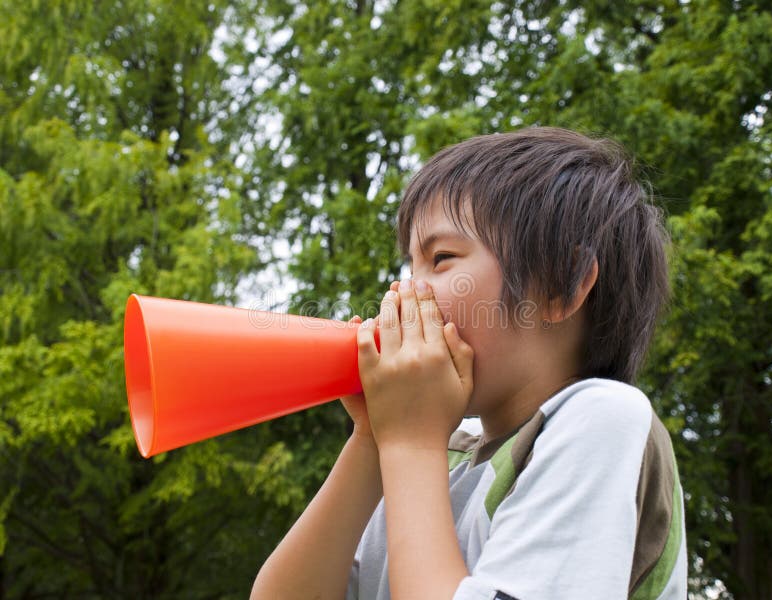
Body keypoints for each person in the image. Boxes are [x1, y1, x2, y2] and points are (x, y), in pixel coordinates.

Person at [250, 127, 687, 599]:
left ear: (563, 285)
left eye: (440, 260)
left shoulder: (601, 419)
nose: (403, 293)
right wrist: (374, 442)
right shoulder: (433, 459)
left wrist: (411, 443)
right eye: (409, 268)